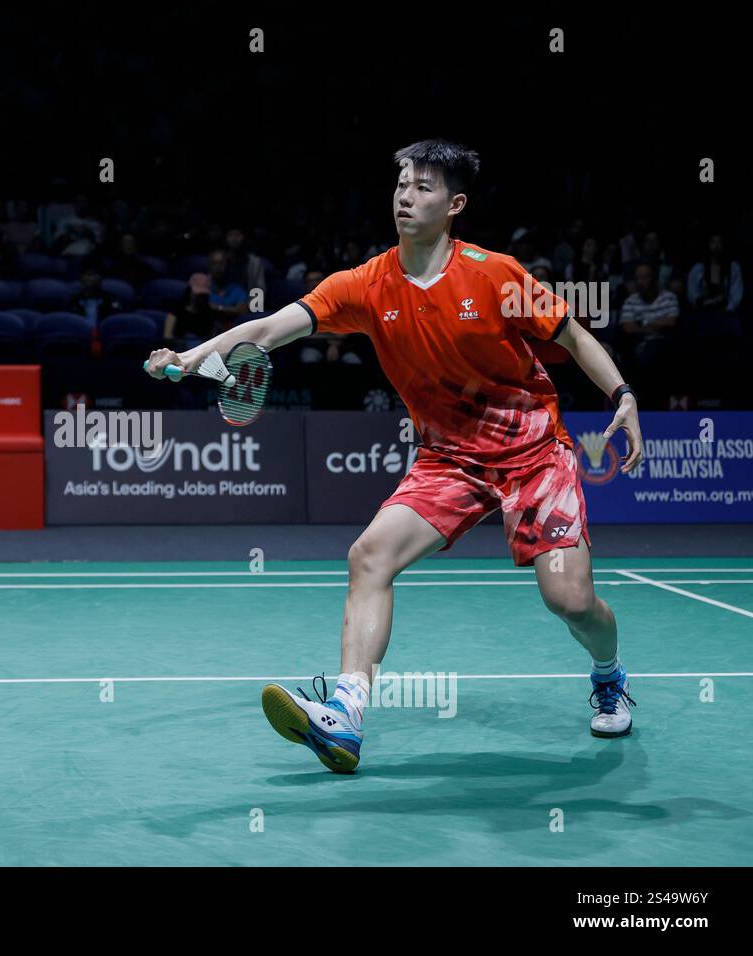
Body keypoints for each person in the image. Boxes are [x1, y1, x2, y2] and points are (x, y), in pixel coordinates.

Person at [146, 140, 645, 773]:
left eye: (424, 187)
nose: (406, 196)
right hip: (448, 460)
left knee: (570, 602)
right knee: (369, 556)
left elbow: (570, 335)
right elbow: (273, 327)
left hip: (533, 453)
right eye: (401, 185)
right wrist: (193, 357)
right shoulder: (364, 284)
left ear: (455, 204)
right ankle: (346, 715)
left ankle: (608, 672)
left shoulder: (496, 274)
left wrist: (621, 394)